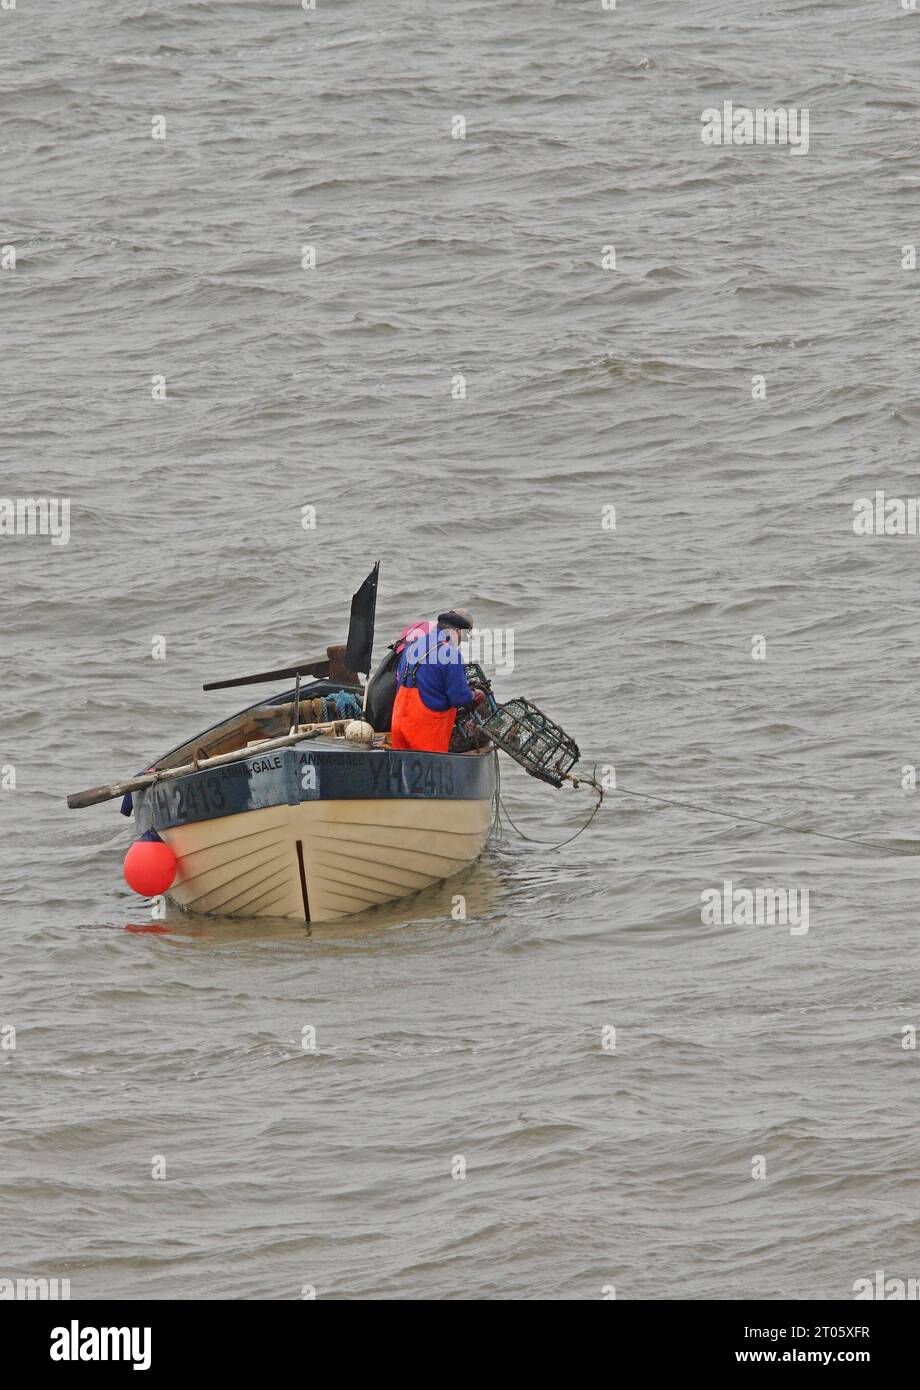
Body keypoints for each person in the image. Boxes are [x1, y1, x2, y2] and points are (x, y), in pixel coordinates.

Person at [390, 608, 488, 753]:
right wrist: (475, 694)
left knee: (402, 771)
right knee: (426, 774)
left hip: (399, 723)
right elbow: (459, 698)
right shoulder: (451, 654)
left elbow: (399, 680)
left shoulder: (412, 646)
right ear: (456, 631)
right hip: (425, 731)